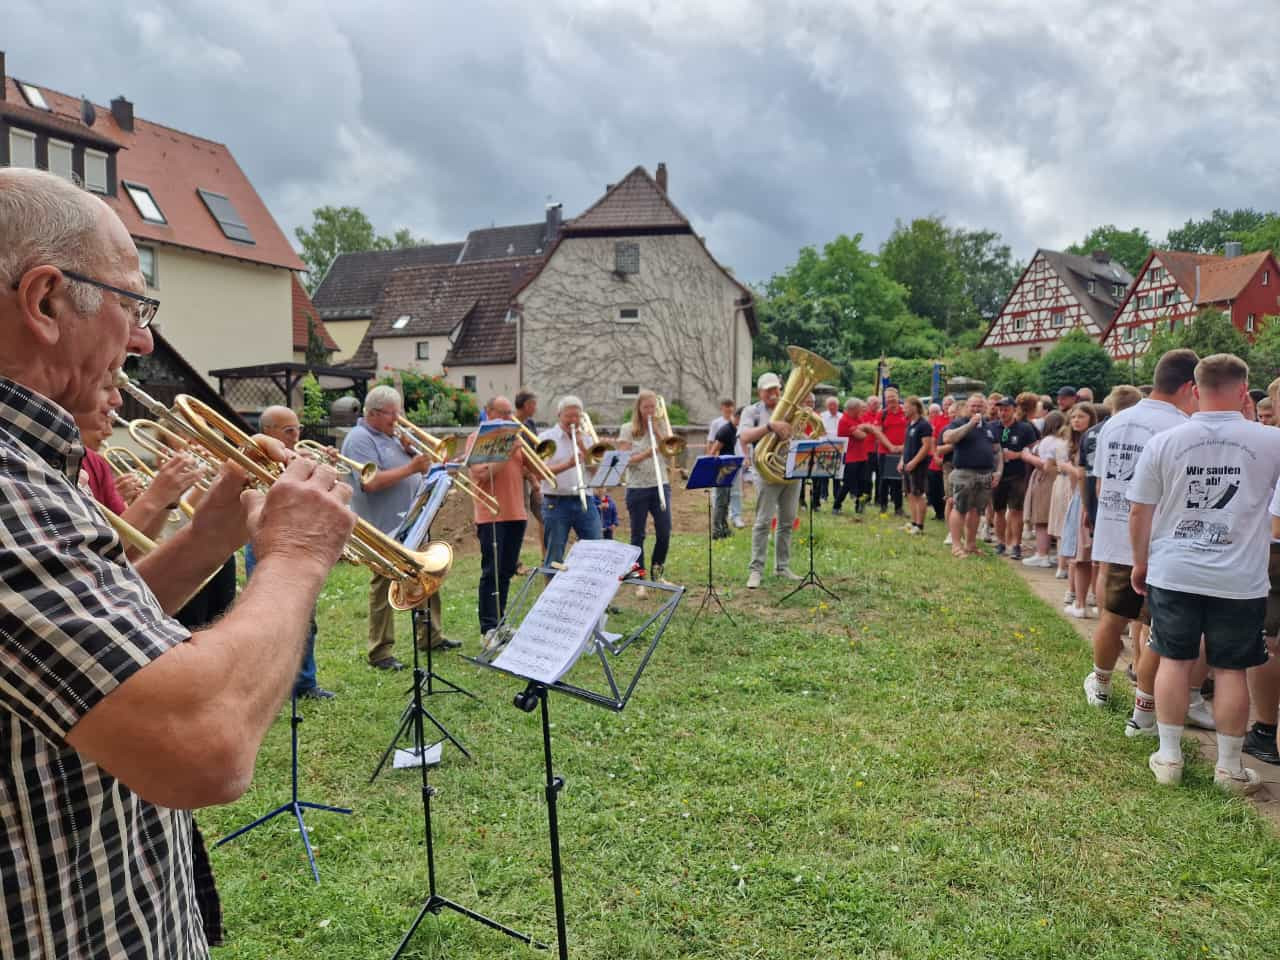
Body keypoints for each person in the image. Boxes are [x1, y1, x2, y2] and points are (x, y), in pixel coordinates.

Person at [0, 166, 355, 958]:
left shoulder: (30, 465)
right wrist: (293, 559)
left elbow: (90, 651)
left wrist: (204, 542)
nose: (144, 340)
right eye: (132, 304)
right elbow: (206, 744)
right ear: (46, 301)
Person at [1129, 353, 1280, 794]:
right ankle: (1229, 767)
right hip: (1240, 576)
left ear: (1195, 390)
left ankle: (1170, 756)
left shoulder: (1166, 441)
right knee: (1232, 668)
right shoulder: (1271, 441)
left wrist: (1141, 561)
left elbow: (1140, 510)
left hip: (1175, 568)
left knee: (1175, 659)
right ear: (1243, 389)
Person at [1083, 350, 1202, 724]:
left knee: (1113, 615)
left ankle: (1100, 686)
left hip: (1118, 531)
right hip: (1160, 537)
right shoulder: (1182, 428)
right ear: (1188, 386)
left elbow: (1101, 485)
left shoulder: (1115, 422)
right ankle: (1144, 709)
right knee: (1155, 627)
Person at [342, 386, 455, 671]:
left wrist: (411, 455)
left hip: (412, 520)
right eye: (394, 413)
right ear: (374, 413)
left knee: (426, 575)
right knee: (384, 586)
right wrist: (411, 467)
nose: (399, 419)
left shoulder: (393, 437)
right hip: (382, 527)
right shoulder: (360, 439)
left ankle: (431, 636)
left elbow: (422, 471)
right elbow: (370, 482)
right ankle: (380, 651)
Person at [242, 405, 338, 700]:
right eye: (289, 431)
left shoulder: (296, 457)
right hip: (266, 541)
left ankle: (304, 683)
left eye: (298, 429)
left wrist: (323, 469)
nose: (297, 435)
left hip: (299, 540)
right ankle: (272, 685)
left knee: (304, 614)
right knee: (271, 616)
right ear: (267, 431)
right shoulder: (252, 457)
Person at [466, 396, 536, 641]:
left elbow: (536, 469)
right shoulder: (477, 439)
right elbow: (481, 475)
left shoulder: (516, 440)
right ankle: (488, 628)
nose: (509, 418)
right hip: (491, 513)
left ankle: (501, 621)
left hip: (516, 512)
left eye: (510, 413)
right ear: (488, 412)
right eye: (503, 413)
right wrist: (506, 451)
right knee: (491, 572)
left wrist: (532, 455)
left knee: (506, 571)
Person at [740, 371, 803, 588]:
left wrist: (802, 421)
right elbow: (745, 437)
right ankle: (755, 570)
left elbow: (802, 437)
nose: (773, 394)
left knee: (787, 521)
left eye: (776, 389)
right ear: (760, 392)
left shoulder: (791, 409)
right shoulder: (752, 411)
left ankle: (782, 567)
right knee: (763, 522)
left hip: (791, 470)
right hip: (766, 472)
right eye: (768, 390)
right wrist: (770, 427)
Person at [616, 390, 675, 582]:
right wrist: (646, 454)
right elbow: (624, 461)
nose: (650, 411)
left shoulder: (663, 427)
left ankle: (657, 573)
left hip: (660, 484)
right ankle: (638, 576)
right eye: (646, 407)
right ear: (639, 409)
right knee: (638, 534)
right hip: (637, 487)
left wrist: (658, 433)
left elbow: (670, 454)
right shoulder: (627, 429)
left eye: (653, 407)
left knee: (665, 531)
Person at [538, 395, 603, 566]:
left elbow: (597, 473)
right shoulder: (546, 438)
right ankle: (552, 591)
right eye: (569, 416)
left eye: (577, 416)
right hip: (556, 502)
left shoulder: (587, 439)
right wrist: (567, 464)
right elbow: (539, 472)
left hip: (585, 500)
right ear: (559, 415)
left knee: (597, 548)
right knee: (554, 554)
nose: (573, 420)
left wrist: (584, 447)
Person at [943, 393, 1002, 557]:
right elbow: (948, 438)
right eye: (973, 406)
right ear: (967, 407)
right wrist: (970, 424)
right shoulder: (959, 422)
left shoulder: (989, 427)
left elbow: (997, 451)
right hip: (964, 472)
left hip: (985, 473)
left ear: (985, 407)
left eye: (979, 406)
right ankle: (956, 545)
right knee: (960, 507)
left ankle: (970, 544)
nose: (976, 409)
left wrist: (998, 471)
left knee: (977, 510)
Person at [992, 394, 1039, 560]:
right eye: (1000, 409)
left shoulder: (1024, 428)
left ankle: (1015, 544)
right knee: (998, 510)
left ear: (1014, 410)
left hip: (1017, 474)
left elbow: (1035, 449)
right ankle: (1000, 542)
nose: (1003, 413)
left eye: (1006, 409)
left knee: (1015, 510)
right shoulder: (992, 427)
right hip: (996, 475)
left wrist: (1018, 454)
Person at [1019, 410, 1066, 569]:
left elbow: (1044, 464)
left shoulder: (1048, 441)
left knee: (1041, 518)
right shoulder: (1065, 441)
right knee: (1054, 518)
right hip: (1059, 480)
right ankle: (1055, 556)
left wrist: (1027, 456)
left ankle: (1042, 554)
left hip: (1045, 480)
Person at [899, 396, 934, 535]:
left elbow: (926, 446)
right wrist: (902, 461)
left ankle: (920, 526)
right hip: (907, 464)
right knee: (909, 494)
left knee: (918, 494)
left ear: (914, 407)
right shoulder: (910, 424)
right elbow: (906, 445)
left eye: (906, 407)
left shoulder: (924, 425)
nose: (904, 410)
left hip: (918, 466)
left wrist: (914, 461)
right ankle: (913, 523)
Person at [515, 388, 545, 550]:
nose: (536, 408)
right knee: (518, 518)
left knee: (543, 515)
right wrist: (532, 478)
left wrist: (538, 472)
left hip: (531, 472)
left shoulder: (530, 423)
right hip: (518, 476)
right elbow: (518, 458)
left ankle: (544, 555)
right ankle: (514, 561)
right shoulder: (512, 425)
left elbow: (535, 450)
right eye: (534, 404)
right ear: (527, 405)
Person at [707, 404, 742, 538]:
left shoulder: (734, 429)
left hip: (729, 466)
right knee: (721, 501)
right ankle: (717, 531)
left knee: (726, 500)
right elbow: (713, 450)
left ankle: (724, 527)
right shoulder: (726, 430)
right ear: (738, 417)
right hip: (722, 468)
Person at [833, 398, 869, 515]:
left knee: (863, 483)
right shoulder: (844, 421)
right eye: (859, 409)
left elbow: (864, 432)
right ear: (853, 409)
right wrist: (865, 430)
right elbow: (862, 436)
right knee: (848, 483)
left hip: (862, 456)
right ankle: (836, 506)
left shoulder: (858, 418)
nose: (861, 411)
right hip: (850, 458)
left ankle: (860, 506)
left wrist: (864, 430)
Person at [876, 387, 907, 515]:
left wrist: (902, 447)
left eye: (892, 397)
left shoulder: (905, 412)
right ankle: (883, 506)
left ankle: (898, 508)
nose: (890, 400)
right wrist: (890, 446)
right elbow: (878, 433)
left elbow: (911, 431)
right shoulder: (882, 414)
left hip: (901, 451)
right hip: (884, 451)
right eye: (888, 397)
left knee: (898, 480)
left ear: (898, 396)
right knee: (884, 479)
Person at [926, 402, 949, 521]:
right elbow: (932, 439)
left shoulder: (957, 421)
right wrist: (935, 456)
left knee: (945, 489)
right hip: (936, 458)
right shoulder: (937, 420)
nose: (948, 406)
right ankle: (938, 512)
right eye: (946, 404)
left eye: (950, 404)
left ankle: (946, 513)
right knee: (934, 488)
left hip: (950, 459)